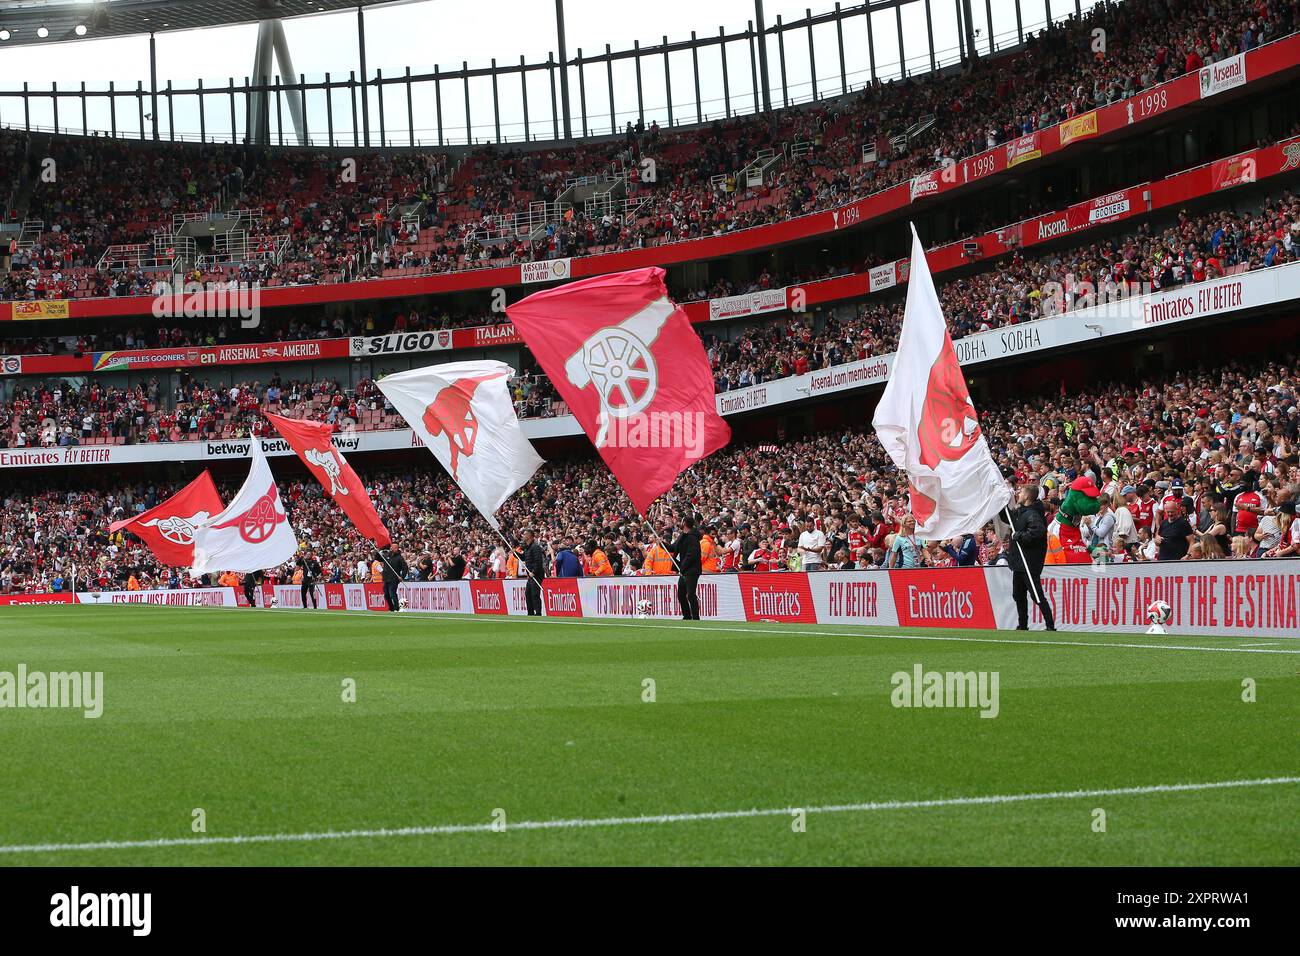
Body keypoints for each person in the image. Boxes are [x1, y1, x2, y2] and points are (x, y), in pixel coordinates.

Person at [1007, 483, 1055, 631]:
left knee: (1036, 595)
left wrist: (1018, 535)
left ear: (1027, 496)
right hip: (1019, 562)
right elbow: (1007, 517)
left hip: (1029, 561)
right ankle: (1022, 624)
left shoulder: (1033, 514)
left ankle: (1050, 625)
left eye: (1021, 493)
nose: (1018, 495)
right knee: (1018, 595)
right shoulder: (1022, 511)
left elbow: (1035, 533)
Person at [668, 515, 703, 620]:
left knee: (690, 594)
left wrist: (682, 566)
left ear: (685, 523)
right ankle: (687, 615)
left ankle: (696, 617)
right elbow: (673, 547)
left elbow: (692, 554)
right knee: (681, 594)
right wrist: (662, 544)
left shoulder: (692, 537)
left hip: (691, 570)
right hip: (684, 570)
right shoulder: (682, 536)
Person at [521, 530, 545, 616]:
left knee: (535, 594)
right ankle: (530, 612)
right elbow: (524, 558)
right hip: (530, 574)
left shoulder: (535, 547)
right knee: (528, 593)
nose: (523, 536)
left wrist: (533, 572)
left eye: (524, 534)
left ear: (529, 536)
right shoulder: (527, 548)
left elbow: (538, 561)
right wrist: (515, 553)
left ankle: (538, 613)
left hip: (536, 574)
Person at [377, 547, 408, 612]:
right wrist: (378, 551)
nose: (392, 548)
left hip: (394, 578)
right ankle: (391, 608)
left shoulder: (399, 558)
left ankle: (396, 608)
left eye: (394, 547)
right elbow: (377, 558)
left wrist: (402, 576)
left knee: (392, 593)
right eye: (392, 547)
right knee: (386, 594)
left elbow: (405, 567)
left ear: (397, 549)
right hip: (386, 578)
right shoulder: (386, 556)